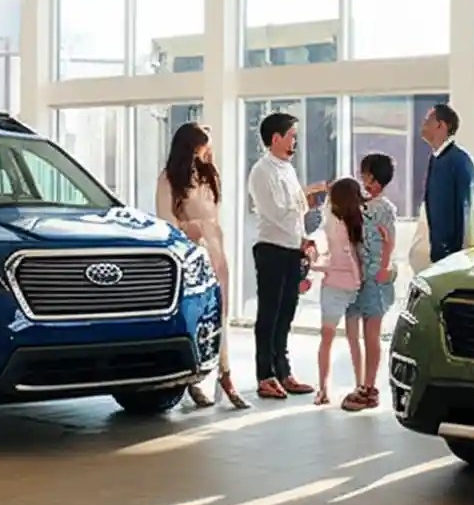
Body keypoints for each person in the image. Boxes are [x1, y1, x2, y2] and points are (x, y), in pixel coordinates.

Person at [155, 123, 249, 409]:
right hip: (192, 253)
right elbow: (165, 220)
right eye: (201, 146)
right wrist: (189, 227)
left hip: (216, 251)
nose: (205, 152)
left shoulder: (208, 175)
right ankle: (192, 379)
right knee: (197, 316)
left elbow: (214, 211)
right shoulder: (170, 178)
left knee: (221, 314)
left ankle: (226, 374)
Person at [246, 112, 326, 400]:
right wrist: (305, 197)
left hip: (292, 249)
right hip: (271, 250)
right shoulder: (261, 171)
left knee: (287, 314)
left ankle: (283, 371)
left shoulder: (287, 169)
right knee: (269, 314)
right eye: (291, 135)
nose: (295, 141)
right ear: (276, 138)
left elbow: (296, 215)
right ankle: (264, 375)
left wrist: (304, 240)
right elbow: (276, 213)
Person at [341, 153, 397, 413]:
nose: (362, 178)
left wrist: (383, 268)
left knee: (371, 334)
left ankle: (370, 386)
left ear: (373, 178)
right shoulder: (369, 206)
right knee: (358, 333)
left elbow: (388, 242)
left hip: (373, 280)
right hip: (361, 279)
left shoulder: (381, 208)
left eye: (365, 174)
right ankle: (362, 384)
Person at [307, 178, 366, 406]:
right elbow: (320, 237)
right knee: (340, 338)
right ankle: (325, 388)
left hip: (346, 285)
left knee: (342, 338)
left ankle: (355, 385)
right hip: (339, 283)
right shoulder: (333, 220)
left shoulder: (356, 220)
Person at [412, 103, 474, 272]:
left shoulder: (460, 161)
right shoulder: (435, 159)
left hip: (456, 257)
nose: (423, 125)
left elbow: (468, 212)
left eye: (427, 120)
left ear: (441, 125)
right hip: (439, 254)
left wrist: (463, 254)